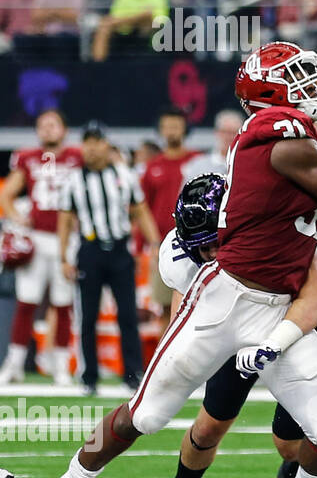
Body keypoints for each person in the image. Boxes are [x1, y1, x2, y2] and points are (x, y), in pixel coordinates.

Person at [37, 41, 317, 478]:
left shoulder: (289, 144)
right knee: (146, 412)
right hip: (225, 296)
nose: (313, 83)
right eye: (299, 75)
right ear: (272, 92)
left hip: (281, 308)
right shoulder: (281, 138)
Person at [145, 173, 317, 478]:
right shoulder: (181, 255)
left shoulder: (277, 230)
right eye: (202, 247)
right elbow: (187, 311)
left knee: (291, 438)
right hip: (242, 315)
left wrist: (274, 344)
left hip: (309, 313)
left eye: (217, 244)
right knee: (211, 424)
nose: (211, 255)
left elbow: (315, 298)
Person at [56, 122, 160, 394]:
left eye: (96, 142)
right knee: (87, 315)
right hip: (89, 251)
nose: (91, 148)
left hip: (119, 250)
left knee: (127, 314)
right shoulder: (73, 180)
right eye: (87, 142)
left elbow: (140, 210)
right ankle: (89, 376)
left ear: (106, 145)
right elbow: (65, 220)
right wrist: (63, 258)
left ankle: (132, 373)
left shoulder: (124, 175)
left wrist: (155, 244)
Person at [0, 110, 82, 385]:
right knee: (26, 302)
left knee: (62, 304)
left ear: (64, 129)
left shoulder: (77, 156)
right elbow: (7, 193)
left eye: (52, 124)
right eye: (42, 125)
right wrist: (16, 217)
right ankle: (14, 364)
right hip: (36, 237)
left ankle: (60, 365)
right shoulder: (28, 157)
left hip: (66, 240)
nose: (47, 129)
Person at [140, 109, 198, 323]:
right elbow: (142, 208)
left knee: (198, 305)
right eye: (167, 126)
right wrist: (145, 245)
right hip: (163, 247)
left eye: (176, 125)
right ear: (160, 130)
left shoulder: (197, 162)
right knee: (165, 307)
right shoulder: (152, 167)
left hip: (195, 245)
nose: (172, 130)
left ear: (185, 129)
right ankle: (165, 355)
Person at [182, 110, 244, 180]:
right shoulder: (198, 165)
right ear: (216, 133)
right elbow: (186, 190)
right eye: (224, 132)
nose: (228, 137)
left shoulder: (249, 165)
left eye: (233, 132)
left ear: (241, 135)